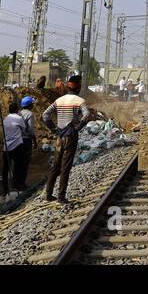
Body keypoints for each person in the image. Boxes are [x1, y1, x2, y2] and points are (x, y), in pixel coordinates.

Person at [42, 73, 95, 204]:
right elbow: (87, 115)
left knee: (55, 165)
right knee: (65, 167)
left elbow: (45, 115)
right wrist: (78, 127)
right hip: (71, 136)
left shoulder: (59, 100)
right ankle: (61, 196)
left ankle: (48, 194)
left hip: (59, 137)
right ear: (78, 87)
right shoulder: (79, 101)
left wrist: (54, 129)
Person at [1, 99, 31, 194]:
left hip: (6, 146)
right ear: (17, 109)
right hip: (17, 145)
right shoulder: (18, 118)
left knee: (6, 168)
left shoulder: (6, 119)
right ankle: (18, 185)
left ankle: (5, 189)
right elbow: (24, 130)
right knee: (19, 166)